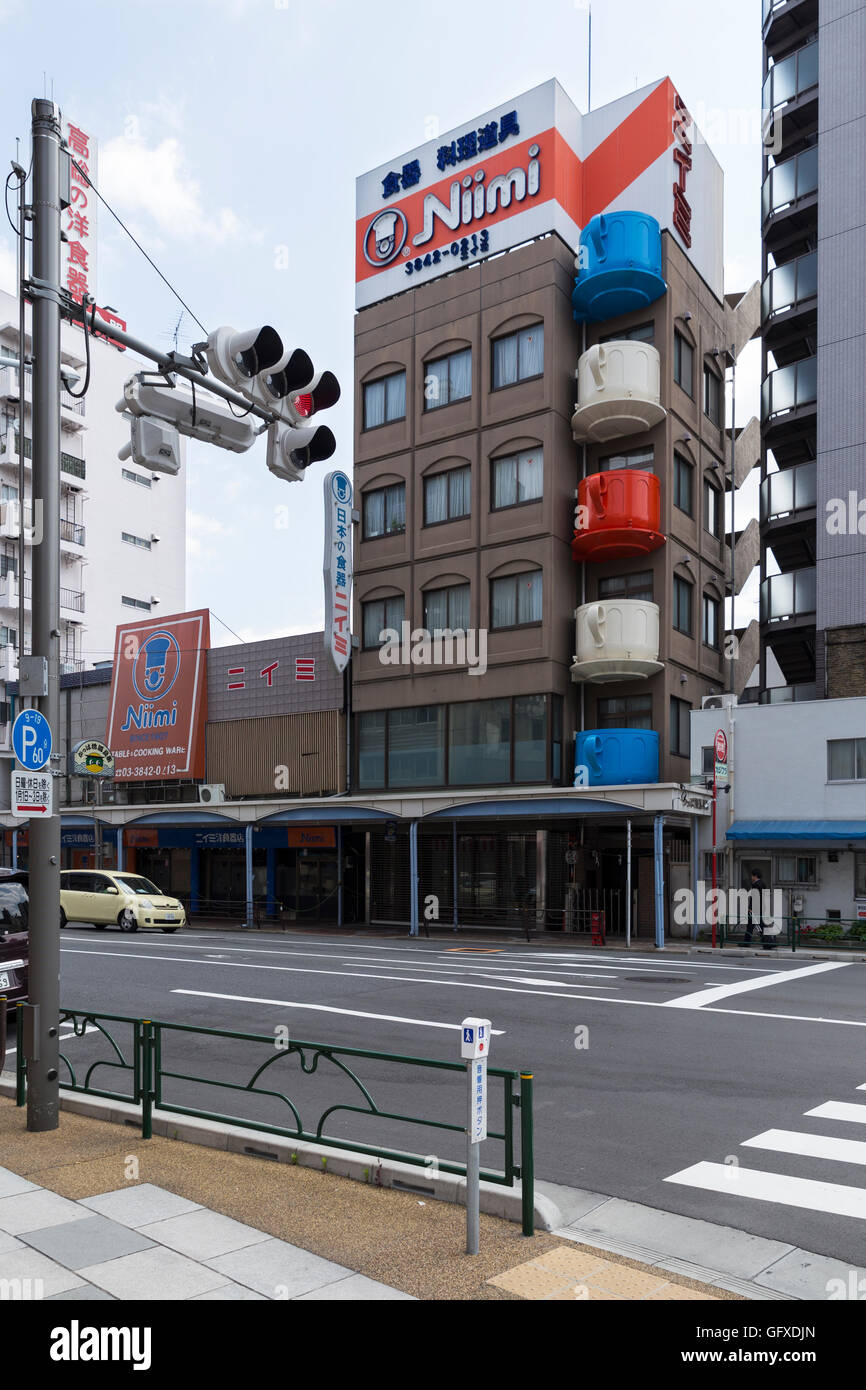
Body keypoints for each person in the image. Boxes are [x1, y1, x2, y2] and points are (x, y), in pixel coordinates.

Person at [741, 869, 775, 949]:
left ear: (755, 876)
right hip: (761, 907)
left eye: (752, 875)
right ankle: (747, 943)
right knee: (752, 925)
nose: (751, 877)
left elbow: (755, 898)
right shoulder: (762, 883)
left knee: (759, 926)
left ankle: (768, 942)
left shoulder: (755, 885)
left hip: (755, 909)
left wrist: (751, 908)